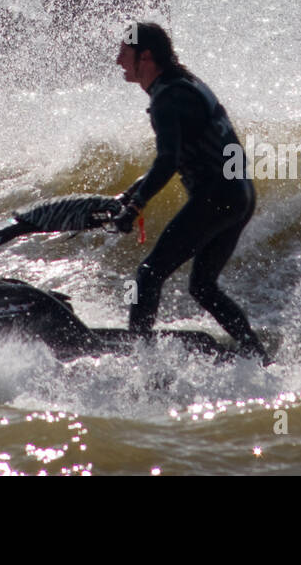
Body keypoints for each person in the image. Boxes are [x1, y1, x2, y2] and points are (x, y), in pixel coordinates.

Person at [111, 22, 271, 363]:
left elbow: (168, 159)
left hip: (216, 197)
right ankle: (258, 357)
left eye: (124, 53)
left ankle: (140, 365)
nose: (118, 61)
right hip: (240, 195)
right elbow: (178, 154)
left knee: (148, 275)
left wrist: (137, 204)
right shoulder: (182, 84)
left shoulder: (168, 98)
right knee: (202, 286)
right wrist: (134, 191)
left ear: (146, 56)